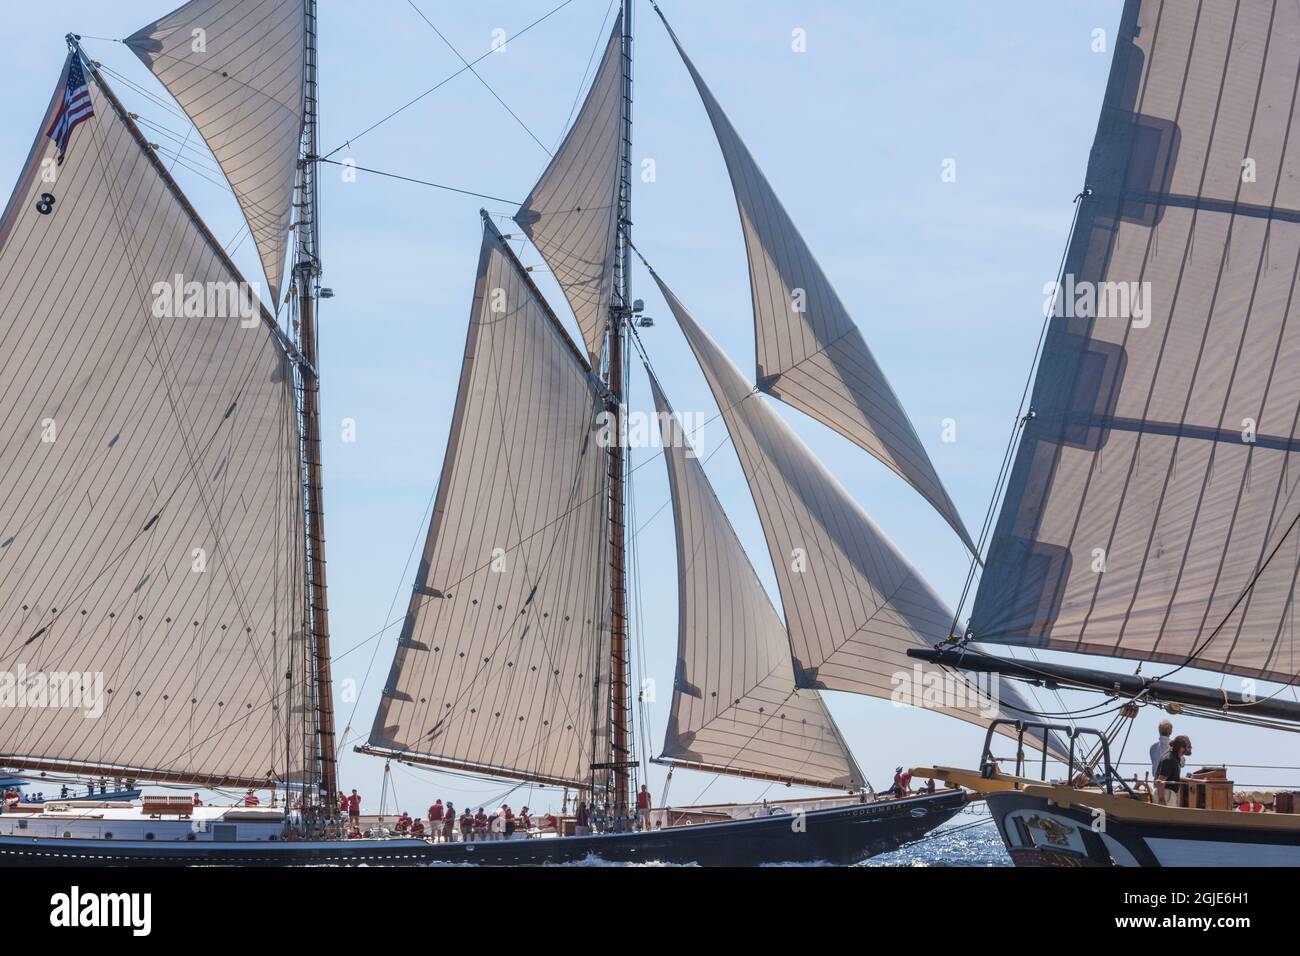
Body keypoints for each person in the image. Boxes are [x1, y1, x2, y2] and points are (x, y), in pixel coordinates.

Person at [1156, 735, 1192, 807]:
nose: (1191, 748)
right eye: (1189, 746)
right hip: (1166, 794)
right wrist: (1161, 799)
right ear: (1181, 748)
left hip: (1168, 794)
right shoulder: (1170, 759)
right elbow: (1160, 781)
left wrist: (1192, 779)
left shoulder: (1175, 758)